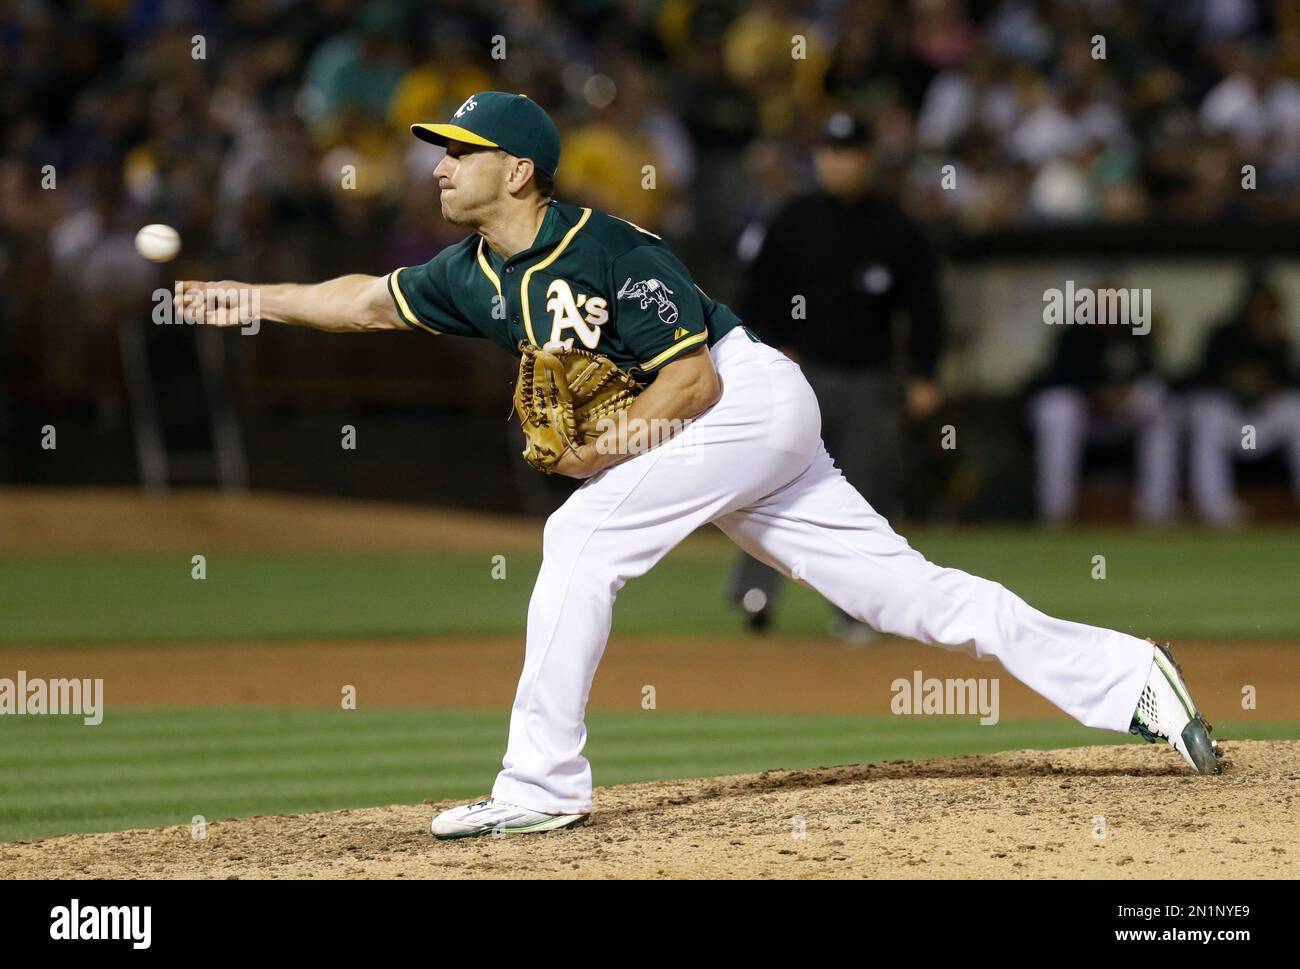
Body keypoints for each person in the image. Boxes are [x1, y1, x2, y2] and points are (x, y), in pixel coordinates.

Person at [179, 92, 1221, 841]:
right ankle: (1131, 674)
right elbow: (362, 300)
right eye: (439, 149)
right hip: (736, 430)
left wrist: (603, 446)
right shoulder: (470, 271)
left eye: (461, 149)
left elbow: (691, 387)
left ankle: (539, 783)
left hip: (744, 396)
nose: (438, 164)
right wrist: (244, 297)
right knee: (908, 596)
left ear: (519, 170)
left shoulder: (607, 251)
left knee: (580, 533)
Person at [728, 111, 946, 638]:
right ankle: (757, 593)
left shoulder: (895, 227)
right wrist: (766, 352)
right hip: (797, 375)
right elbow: (756, 296)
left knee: (867, 494)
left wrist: (924, 373)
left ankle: (857, 609)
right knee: (769, 481)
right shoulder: (791, 219)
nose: (837, 163)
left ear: (866, 159)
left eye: (847, 153)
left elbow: (925, 305)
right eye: (828, 152)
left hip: (870, 379)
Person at [1028, 301, 1179, 525]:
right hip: (1084, 417)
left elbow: (1155, 376)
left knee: (1160, 405)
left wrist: (1122, 394)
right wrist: (1095, 394)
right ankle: (1055, 513)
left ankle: (1156, 510)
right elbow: (1058, 378)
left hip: (1124, 417)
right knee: (1057, 410)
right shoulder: (1073, 336)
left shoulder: (1136, 332)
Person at [1187, 275, 1300, 526]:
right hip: (1231, 420)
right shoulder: (1223, 336)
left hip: (1261, 424)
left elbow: (1289, 383)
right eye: (1257, 306)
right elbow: (1201, 378)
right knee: (1208, 411)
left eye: (1268, 306)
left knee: (1295, 409)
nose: (1262, 312)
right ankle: (1214, 508)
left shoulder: (1279, 341)